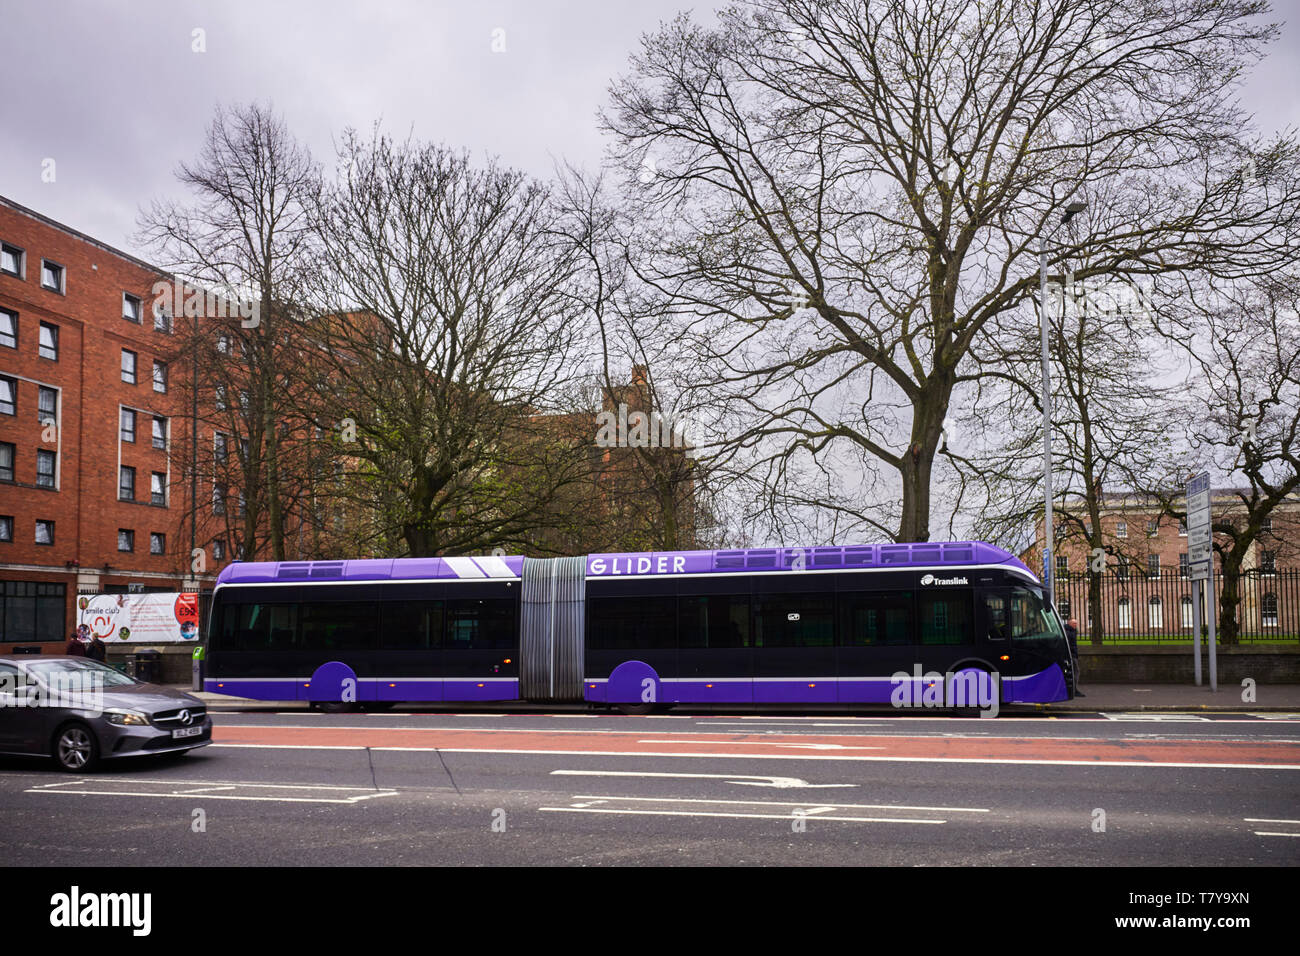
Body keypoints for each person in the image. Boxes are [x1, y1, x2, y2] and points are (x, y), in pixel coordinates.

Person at [1064, 617, 1085, 697]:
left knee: (1074, 672)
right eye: (1074, 623)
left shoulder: (1071, 631)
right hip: (1071, 655)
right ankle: (1073, 690)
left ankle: (1072, 689)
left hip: (1073, 655)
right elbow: (1069, 645)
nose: (1076, 625)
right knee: (1075, 672)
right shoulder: (1068, 632)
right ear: (1069, 623)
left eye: (1076, 623)